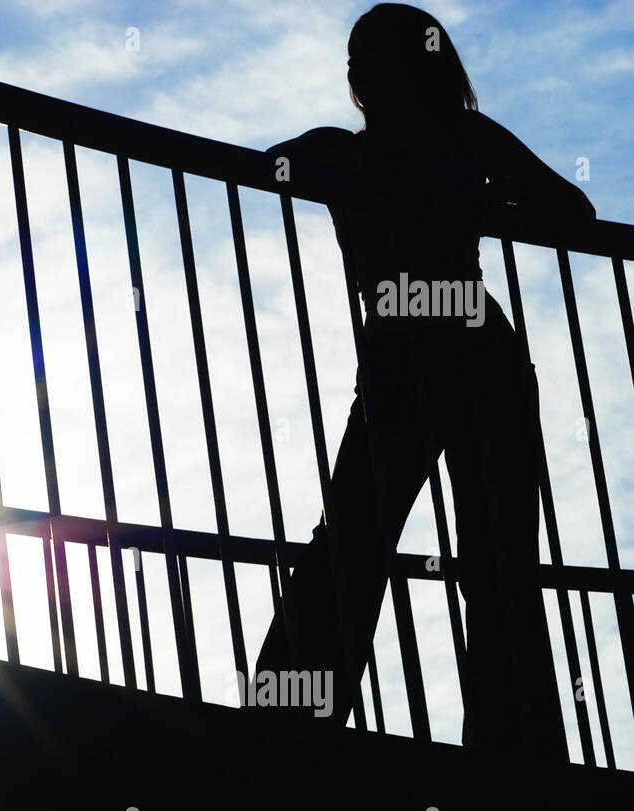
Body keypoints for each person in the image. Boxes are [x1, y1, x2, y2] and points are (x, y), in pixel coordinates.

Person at [255, 2, 595, 761]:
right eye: (352, 58)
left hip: (478, 363)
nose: (355, 70)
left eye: (370, 54)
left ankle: (514, 757)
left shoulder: (464, 140)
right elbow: (271, 164)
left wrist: (480, 199)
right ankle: (284, 726)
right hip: (404, 367)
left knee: (492, 560)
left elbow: (572, 207)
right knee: (358, 540)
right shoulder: (344, 151)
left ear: (414, 66)